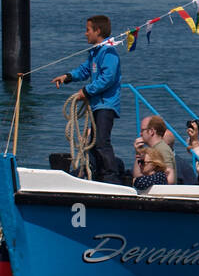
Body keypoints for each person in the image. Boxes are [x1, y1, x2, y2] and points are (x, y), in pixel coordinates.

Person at [51, 15, 122, 182]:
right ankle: (96, 173)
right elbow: (85, 70)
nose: (85, 34)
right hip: (97, 105)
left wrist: (87, 91)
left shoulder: (108, 51)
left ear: (97, 31)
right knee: (94, 142)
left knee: (101, 142)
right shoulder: (95, 52)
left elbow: (108, 77)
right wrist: (68, 77)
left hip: (106, 104)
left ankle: (110, 177)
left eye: (88, 30)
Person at [132, 115, 176, 185]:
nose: (140, 134)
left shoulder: (162, 149)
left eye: (142, 130)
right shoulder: (154, 149)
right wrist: (138, 153)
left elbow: (170, 178)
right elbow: (137, 175)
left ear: (151, 131)